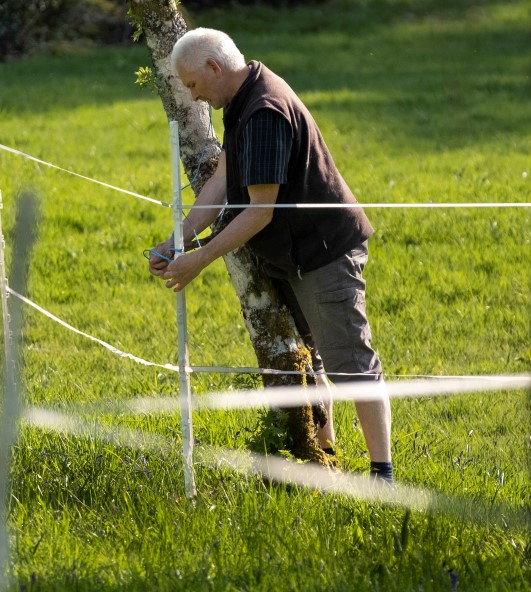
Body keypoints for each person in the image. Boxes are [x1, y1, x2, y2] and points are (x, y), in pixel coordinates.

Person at [147, 27, 393, 483]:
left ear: (214, 67)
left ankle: (383, 476)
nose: (193, 95)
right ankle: (326, 460)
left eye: (193, 84)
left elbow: (260, 211)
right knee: (312, 360)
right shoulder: (241, 96)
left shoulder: (263, 110)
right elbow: (223, 179)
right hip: (293, 253)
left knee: (351, 365)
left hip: (322, 252)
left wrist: (199, 259)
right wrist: (179, 240)